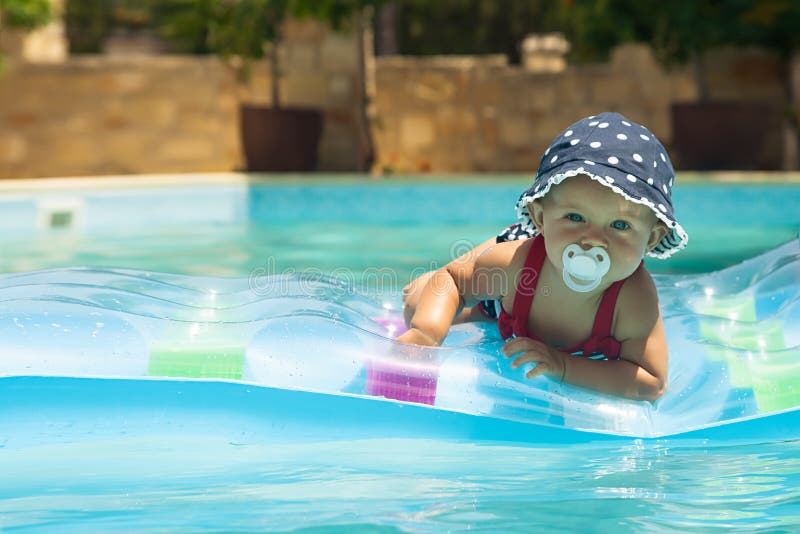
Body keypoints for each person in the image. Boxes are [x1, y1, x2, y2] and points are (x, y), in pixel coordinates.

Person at [397, 112, 688, 401]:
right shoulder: (514, 264)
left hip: (530, 284)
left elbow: (651, 382)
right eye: (575, 217)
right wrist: (426, 334)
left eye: (620, 225)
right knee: (421, 301)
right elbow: (452, 280)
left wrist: (563, 366)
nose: (592, 240)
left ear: (651, 238)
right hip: (518, 276)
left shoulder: (633, 297)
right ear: (539, 217)